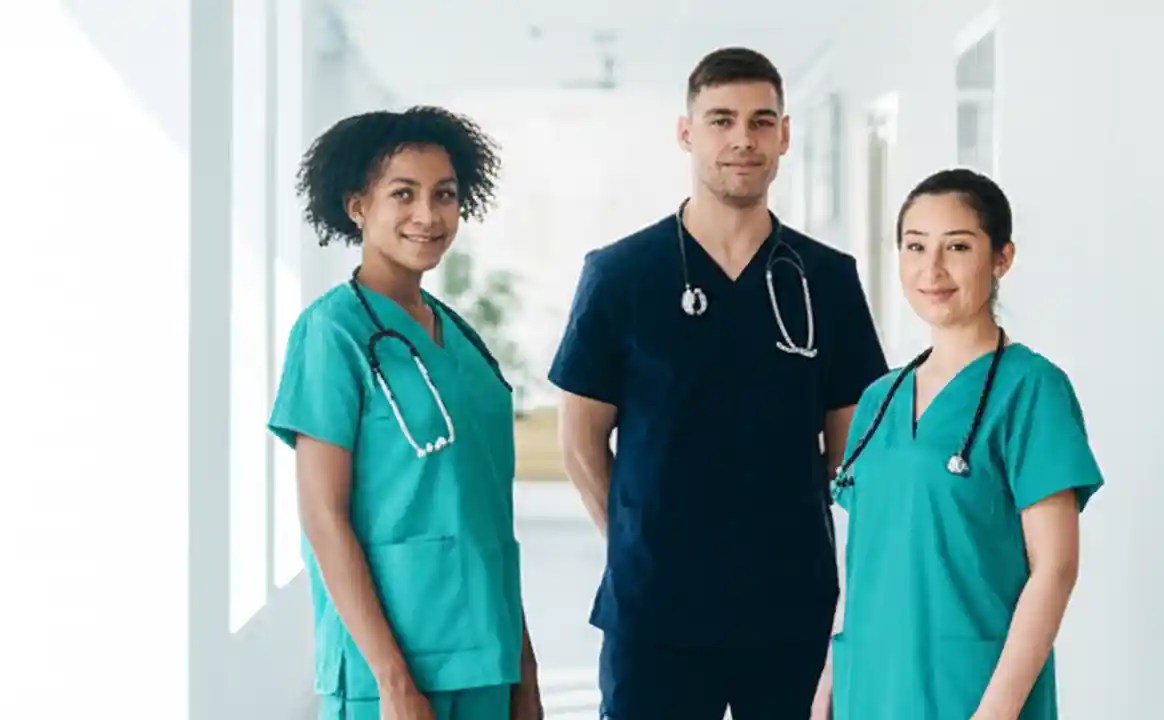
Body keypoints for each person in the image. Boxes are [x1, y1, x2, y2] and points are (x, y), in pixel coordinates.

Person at [549, 47, 888, 719]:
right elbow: (581, 442)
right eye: (721, 120)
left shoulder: (827, 279)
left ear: (785, 136)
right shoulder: (620, 276)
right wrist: (635, 538)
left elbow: (848, 448)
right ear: (686, 132)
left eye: (762, 122)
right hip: (655, 613)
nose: (743, 139)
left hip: (790, 609)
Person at [267, 106, 543, 720]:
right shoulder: (331, 332)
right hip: (389, 671)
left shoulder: (462, 339)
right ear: (358, 205)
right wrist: (392, 681)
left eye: (444, 195)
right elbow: (323, 515)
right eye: (404, 194)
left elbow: (487, 516)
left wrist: (523, 669)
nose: (428, 215)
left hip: (485, 658)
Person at [825, 168, 1105, 719]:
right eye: (915, 247)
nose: (932, 269)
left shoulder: (1031, 390)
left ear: (1002, 258)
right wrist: (826, 687)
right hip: (869, 688)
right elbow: (864, 570)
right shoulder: (879, 399)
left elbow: (1055, 568)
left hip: (971, 694)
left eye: (957, 246)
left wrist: (993, 714)